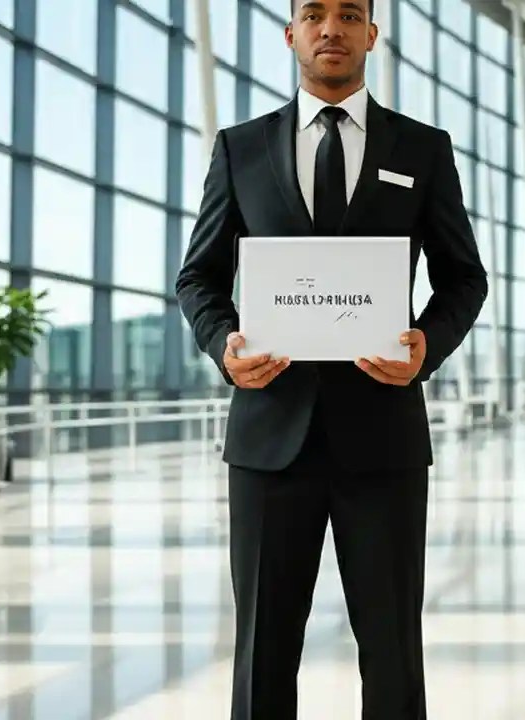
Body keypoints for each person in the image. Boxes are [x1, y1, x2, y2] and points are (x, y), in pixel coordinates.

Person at [175, 0, 486, 715]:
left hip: (383, 437)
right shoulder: (240, 149)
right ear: (292, 34)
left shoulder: (422, 149)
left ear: (371, 34)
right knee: (263, 650)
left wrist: (427, 346)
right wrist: (224, 343)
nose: (330, 29)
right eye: (314, 14)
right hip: (268, 437)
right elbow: (199, 277)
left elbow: (464, 278)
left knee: (393, 650)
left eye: (349, 15)